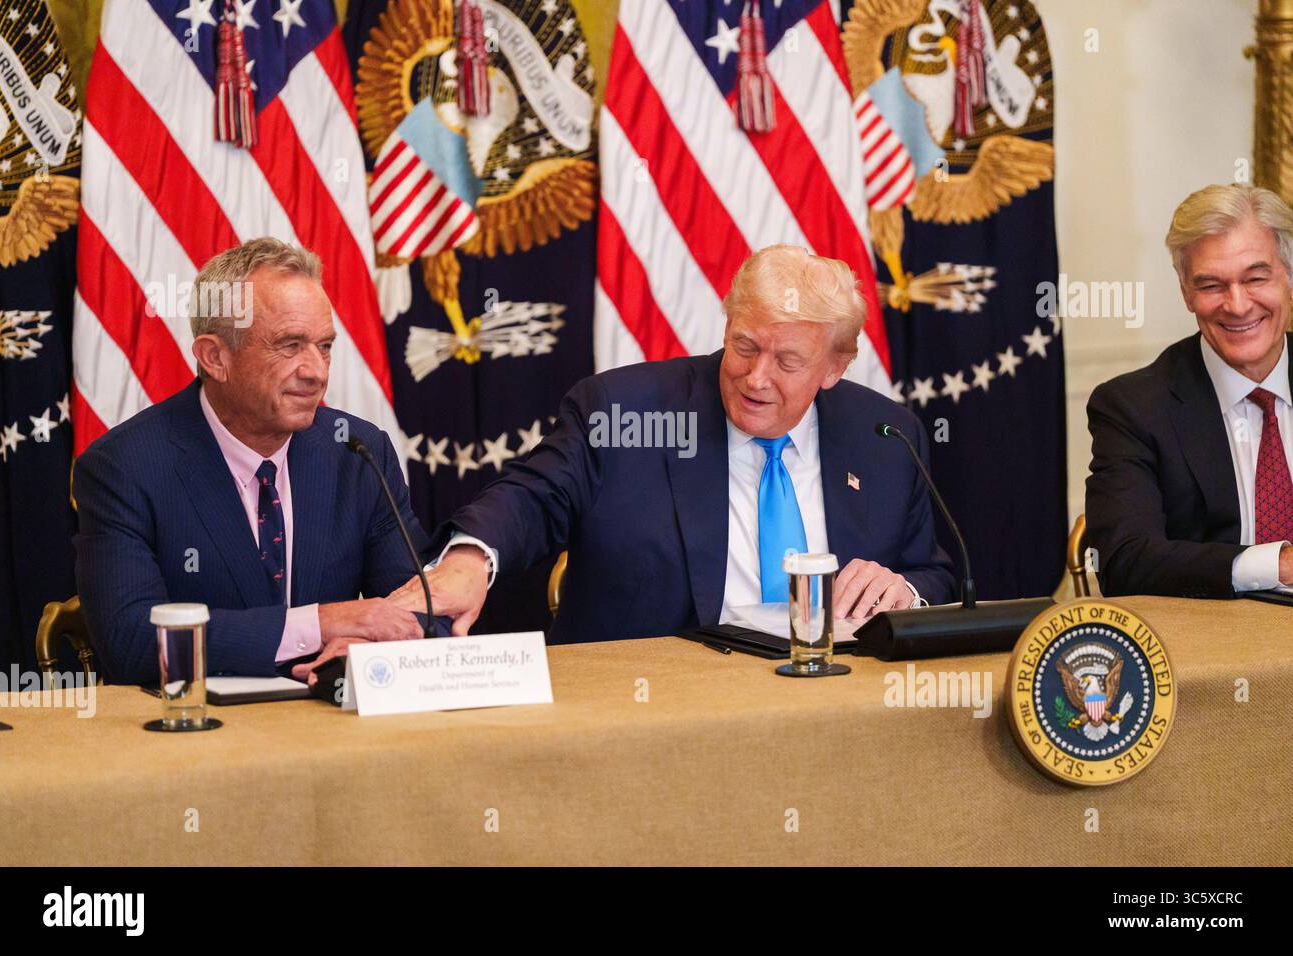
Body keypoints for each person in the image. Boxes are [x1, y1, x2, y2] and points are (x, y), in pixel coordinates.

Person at [393, 245, 956, 643]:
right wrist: (470, 559)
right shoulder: (628, 412)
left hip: (835, 700)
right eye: (744, 346)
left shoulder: (885, 437)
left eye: (787, 362)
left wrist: (903, 590)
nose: (757, 378)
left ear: (835, 367)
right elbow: (532, 496)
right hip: (659, 709)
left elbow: (935, 575)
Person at [73, 238, 438, 684]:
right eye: (290, 345)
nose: (317, 371)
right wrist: (318, 625)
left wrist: (363, 645)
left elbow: (422, 605)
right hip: (197, 740)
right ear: (215, 357)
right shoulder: (125, 468)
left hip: (337, 731)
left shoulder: (358, 451)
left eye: (324, 346)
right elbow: (132, 643)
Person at [1087, 183, 1293, 597]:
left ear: (1289, 276)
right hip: (1215, 649)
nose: (1237, 305)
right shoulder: (1133, 408)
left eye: (1255, 277)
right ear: (1186, 292)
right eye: (1212, 285)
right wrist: (1277, 565)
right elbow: (1125, 560)